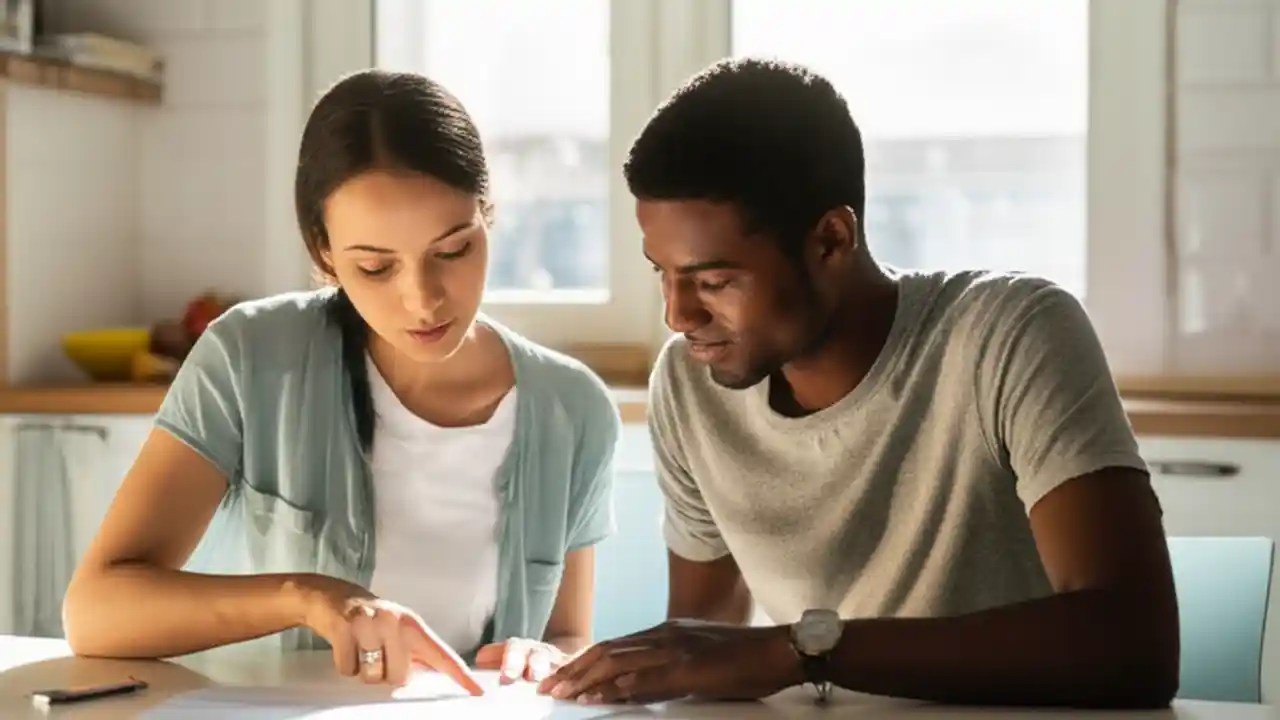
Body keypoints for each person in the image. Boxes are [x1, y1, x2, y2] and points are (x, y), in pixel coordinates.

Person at [541, 58, 1179, 708]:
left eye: (714, 281)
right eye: (662, 274)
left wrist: (804, 649)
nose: (678, 316)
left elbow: (1135, 646)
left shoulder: (1010, 336)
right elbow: (710, 653)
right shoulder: (690, 383)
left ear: (830, 239)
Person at [63, 70, 620, 694]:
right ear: (324, 252)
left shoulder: (574, 408)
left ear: (488, 217)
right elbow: (96, 612)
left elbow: (570, 636)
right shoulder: (251, 357)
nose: (423, 301)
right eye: (376, 266)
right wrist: (311, 598)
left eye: (454, 251)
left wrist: (544, 653)